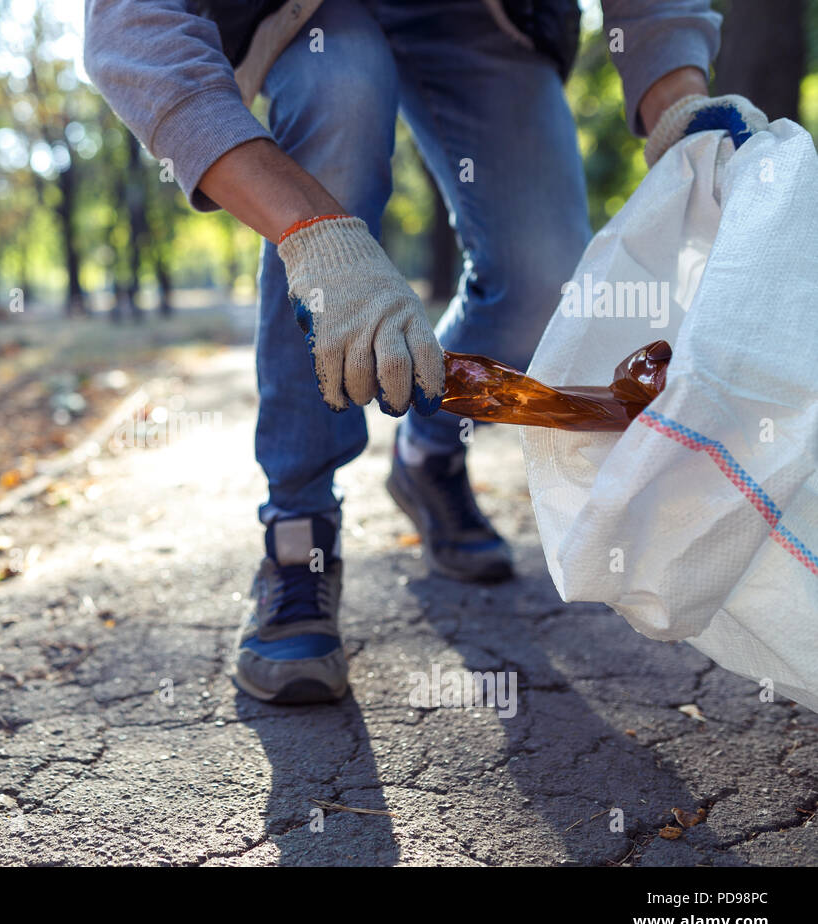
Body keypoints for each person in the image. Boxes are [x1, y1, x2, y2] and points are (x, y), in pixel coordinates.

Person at [83, 0, 767, 703]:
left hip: (484, 14)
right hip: (310, 15)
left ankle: (427, 456)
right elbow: (132, 31)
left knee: (545, 277)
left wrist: (677, 102)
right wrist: (312, 231)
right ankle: (298, 531)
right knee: (338, 88)